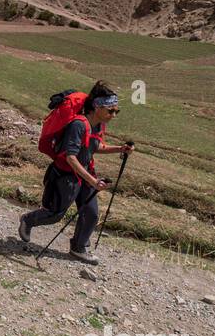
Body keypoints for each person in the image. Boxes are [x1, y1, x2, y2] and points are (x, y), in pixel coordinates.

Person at [18, 81, 133, 264]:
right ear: (97, 107)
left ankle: (78, 249)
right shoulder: (78, 125)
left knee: (91, 213)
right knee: (55, 214)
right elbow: (71, 158)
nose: (114, 115)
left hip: (85, 174)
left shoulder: (98, 125)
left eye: (116, 111)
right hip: (67, 176)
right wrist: (93, 181)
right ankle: (28, 220)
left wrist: (119, 149)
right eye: (111, 111)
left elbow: (95, 146)